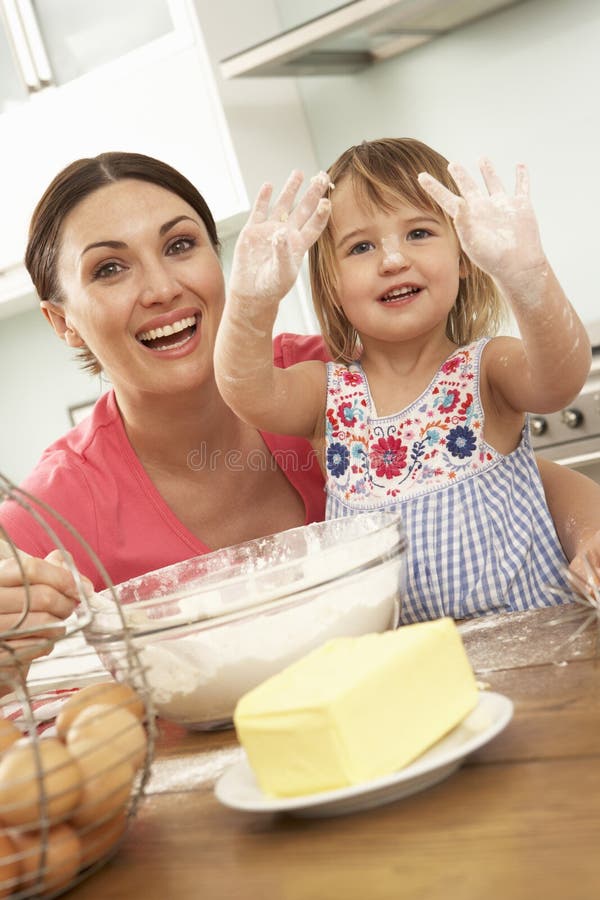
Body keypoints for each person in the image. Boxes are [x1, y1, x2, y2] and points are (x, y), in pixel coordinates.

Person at [0, 149, 597, 612]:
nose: (161, 289)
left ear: (218, 257)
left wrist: (592, 531)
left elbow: (496, 477)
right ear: (62, 322)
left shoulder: (330, 370)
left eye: (180, 245)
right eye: (109, 269)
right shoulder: (55, 503)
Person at [214, 137, 594, 621]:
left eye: (418, 233)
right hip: (408, 670)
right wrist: (251, 301)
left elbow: (561, 379)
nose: (392, 260)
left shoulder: (487, 369)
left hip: (537, 646)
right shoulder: (326, 395)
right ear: (331, 283)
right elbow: (243, 388)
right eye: (362, 246)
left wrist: (527, 276)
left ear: (463, 255)